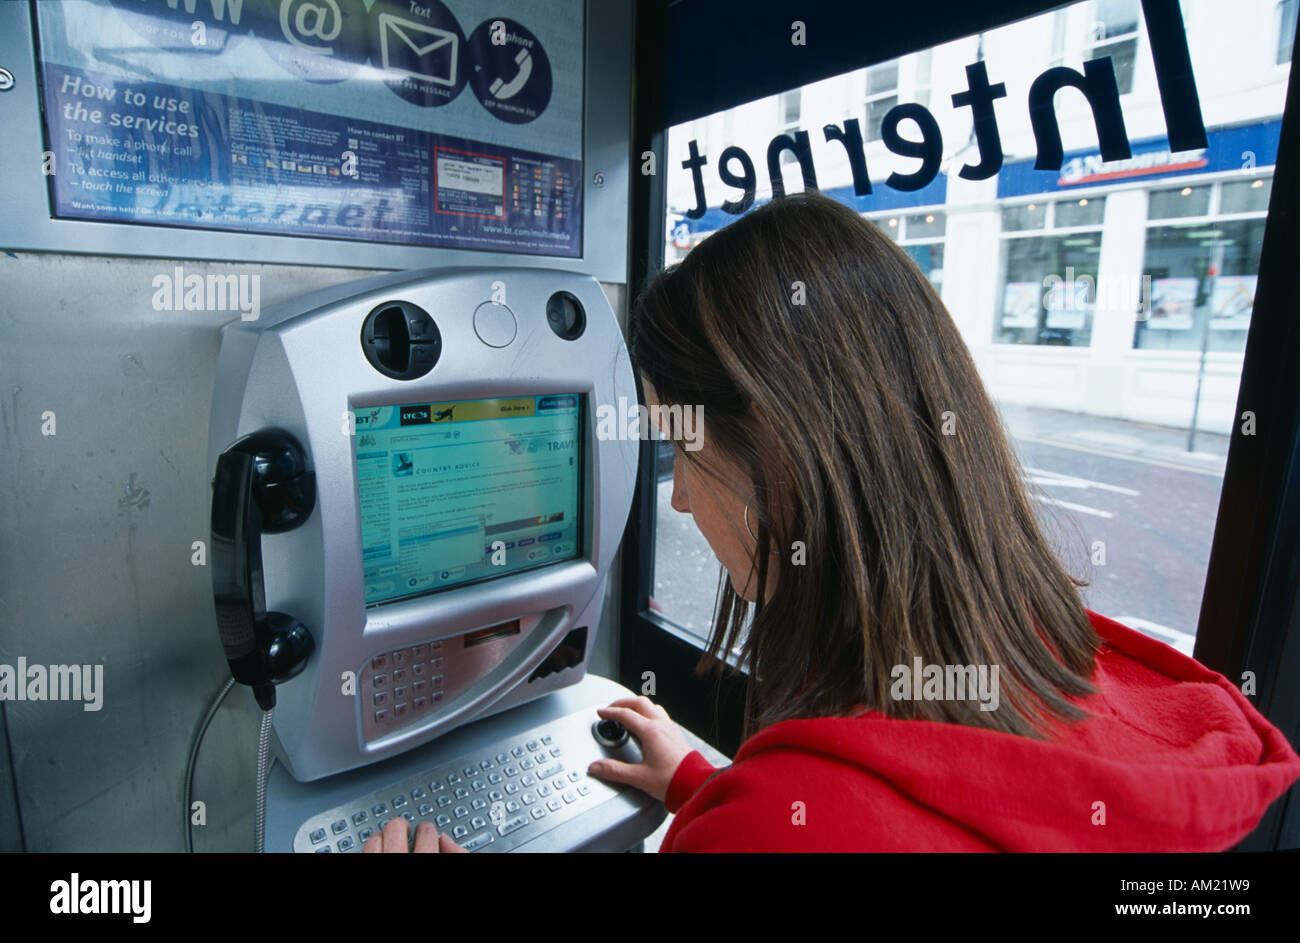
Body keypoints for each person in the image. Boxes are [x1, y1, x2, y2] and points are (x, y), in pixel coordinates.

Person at [366, 189, 1300, 853]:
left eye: (684, 450)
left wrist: (752, 814)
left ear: (784, 458)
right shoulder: (1086, 673)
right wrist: (710, 791)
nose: (680, 499)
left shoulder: (789, 822)